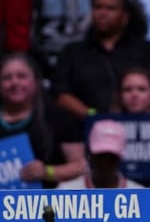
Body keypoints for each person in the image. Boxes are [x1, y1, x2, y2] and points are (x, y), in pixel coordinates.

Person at [52, 0, 150, 123]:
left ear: (125, 17)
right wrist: (93, 117)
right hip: (85, 130)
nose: (102, 13)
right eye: (98, 7)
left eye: (110, 8)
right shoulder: (72, 52)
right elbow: (60, 94)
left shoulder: (144, 49)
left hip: (139, 130)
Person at [0, 53, 87, 187]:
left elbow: (81, 166)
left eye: (21, 76)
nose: (14, 82)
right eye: (7, 78)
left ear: (35, 81)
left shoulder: (58, 117)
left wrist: (47, 172)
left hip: (49, 203)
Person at [56, 119, 143, 189]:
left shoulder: (140, 195)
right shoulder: (66, 191)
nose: (105, 163)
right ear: (90, 155)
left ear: (120, 158)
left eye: (112, 157)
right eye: (100, 157)